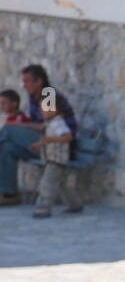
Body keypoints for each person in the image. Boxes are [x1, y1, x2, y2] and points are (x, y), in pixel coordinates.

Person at [0, 64, 77, 207]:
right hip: (42, 144)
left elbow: (46, 125)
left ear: (39, 81)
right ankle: (9, 194)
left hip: (56, 145)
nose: (24, 85)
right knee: (7, 147)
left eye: (27, 81)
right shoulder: (33, 97)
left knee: (8, 130)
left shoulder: (48, 94)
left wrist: (20, 126)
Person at [31, 93, 81, 218]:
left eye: (44, 107)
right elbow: (48, 139)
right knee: (63, 185)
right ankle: (75, 204)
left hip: (56, 160)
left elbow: (68, 137)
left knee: (47, 183)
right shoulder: (50, 123)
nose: (41, 110)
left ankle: (43, 208)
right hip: (53, 159)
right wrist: (39, 144)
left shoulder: (58, 123)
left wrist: (52, 140)